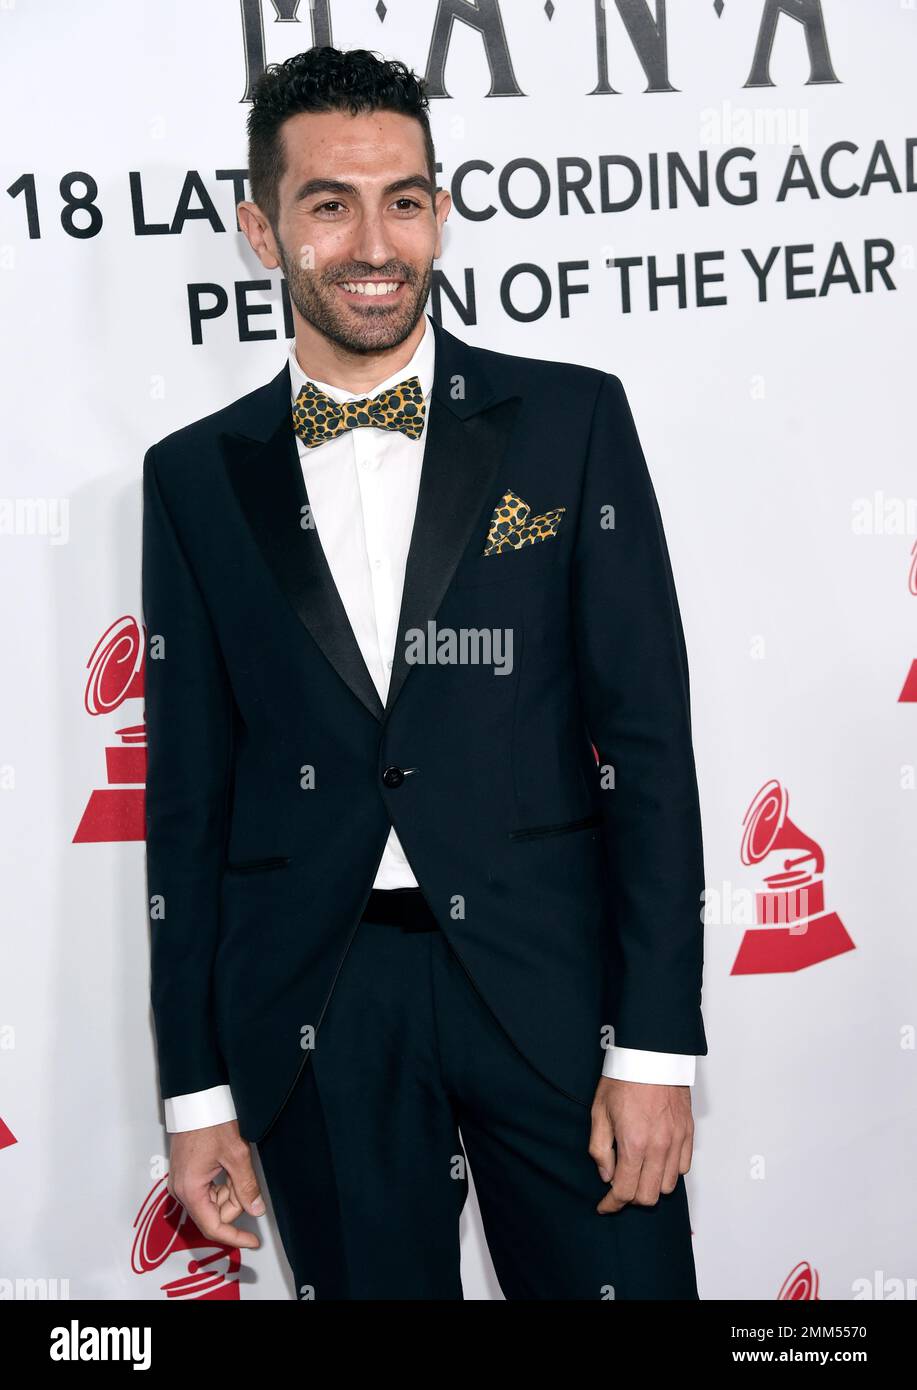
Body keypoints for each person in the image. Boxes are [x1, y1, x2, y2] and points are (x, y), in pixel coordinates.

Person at [142, 45, 707, 1300]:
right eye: (328, 203)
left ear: (441, 213)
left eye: (403, 199)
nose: (373, 242)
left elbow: (649, 747)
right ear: (260, 228)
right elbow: (184, 806)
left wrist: (658, 1043)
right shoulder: (192, 476)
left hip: (553, 996)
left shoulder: (569, 423)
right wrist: (196, 1091)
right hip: (318, 1011)